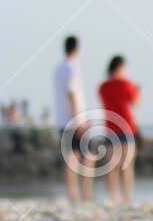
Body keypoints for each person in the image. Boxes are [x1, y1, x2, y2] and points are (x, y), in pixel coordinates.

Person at [52, 35, 91, 203]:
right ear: (77, 48)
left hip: (62, 119)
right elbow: (72, 92)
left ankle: (72, 193)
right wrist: (79, 119)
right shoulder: (73, 68)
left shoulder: (58, 68)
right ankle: (85, 193)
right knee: (87, 155)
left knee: (70, 157)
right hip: (73, 119)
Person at [97, 55, 141, 204]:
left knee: (112, 166)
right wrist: (138, 91)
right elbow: (136, 102)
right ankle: (127, 196)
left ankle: (113, 195)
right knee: (127, 165)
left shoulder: (103, 86)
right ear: (121, 67)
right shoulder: (127, 84)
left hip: (110, 126)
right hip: (126, 126)